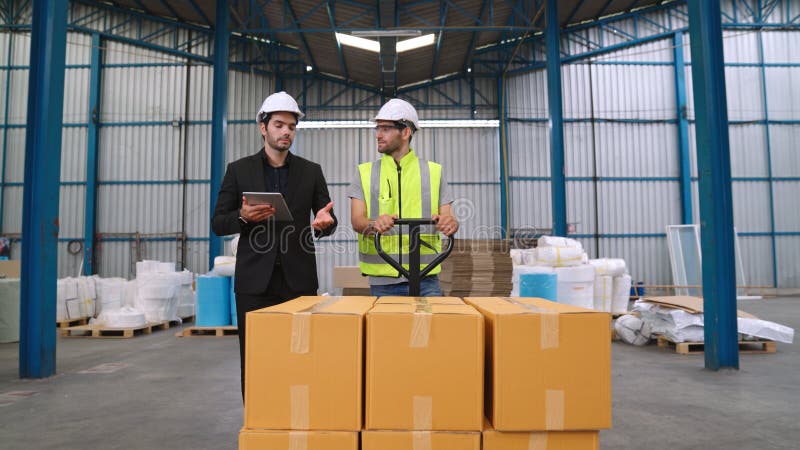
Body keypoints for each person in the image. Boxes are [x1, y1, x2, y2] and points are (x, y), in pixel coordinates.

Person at [211, 91, 337, 399]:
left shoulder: (311, 171)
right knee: (255, 359)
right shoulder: (238, 170)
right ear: (262, 127)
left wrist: (325, 224)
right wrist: (242, 216)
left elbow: (328, 217)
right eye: (279, 124)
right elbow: (218, 223)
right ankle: (258, 422)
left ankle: (297, 417)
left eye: (292, 127)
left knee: (300, 356)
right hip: (255, 284)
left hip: (299, 281)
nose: (286, 132)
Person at [348, 98, 458, 296]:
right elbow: (357, 221)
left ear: (406, 132)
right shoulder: (364, 173)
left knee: (430, 328)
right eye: (377, 128)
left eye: (385, 129)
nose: (378, 135)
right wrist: (373, 225)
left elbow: (447, 217)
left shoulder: (434, 172)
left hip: (427, 278)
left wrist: (450, 223)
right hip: (383, 282)